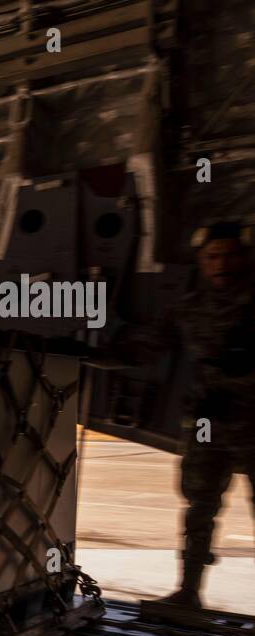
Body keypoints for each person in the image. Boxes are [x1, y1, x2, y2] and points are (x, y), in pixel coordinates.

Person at [117, 221, 255, 608]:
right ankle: (188, 592)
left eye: (230, 255)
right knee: (199, 506)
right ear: (201, 262)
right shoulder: (188, 310)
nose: (222, 264)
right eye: (213, 257)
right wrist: (88, 354)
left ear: (244, 258)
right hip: (209, 424)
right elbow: (146, 350)